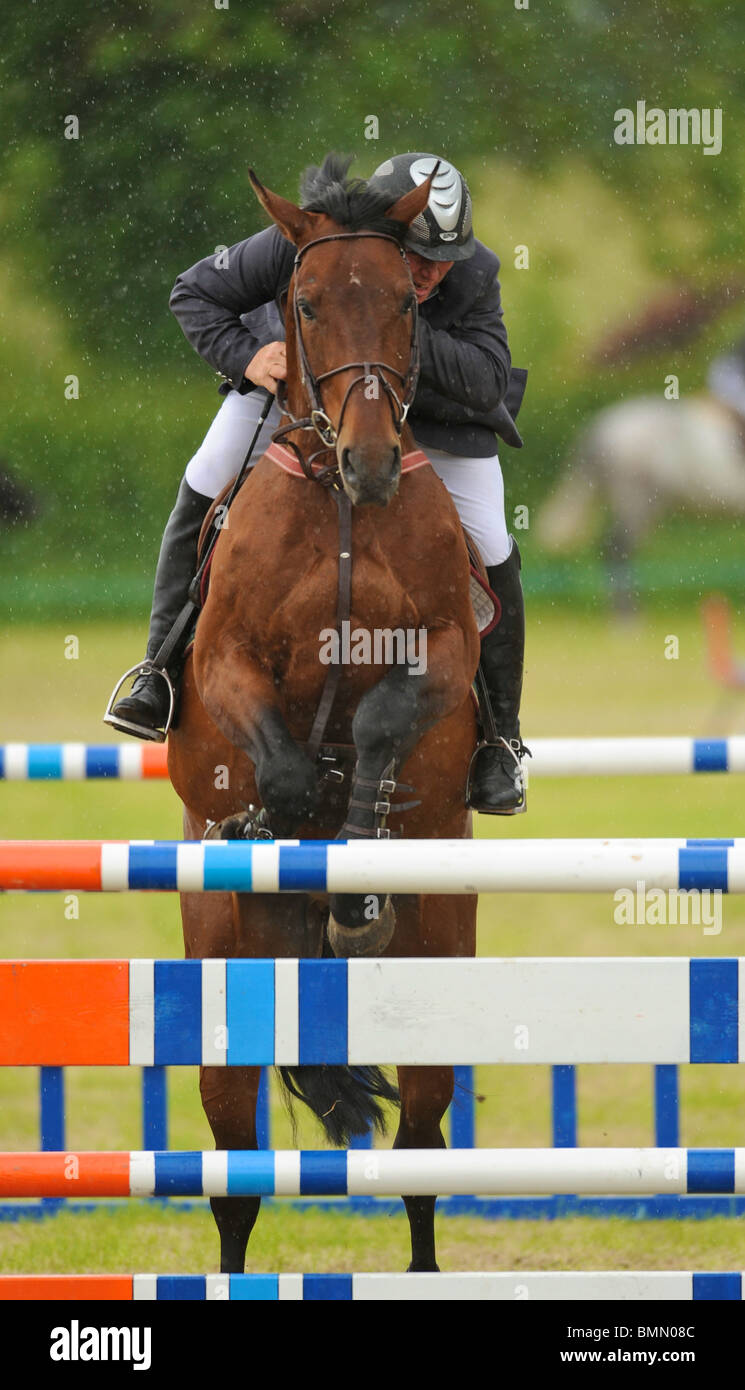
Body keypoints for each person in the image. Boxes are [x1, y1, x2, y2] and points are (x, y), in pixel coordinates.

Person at [106, 153, 529, 813]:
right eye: (416, 259)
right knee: (207, 473)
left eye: (442, 263)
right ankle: (157, 668)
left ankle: (501, 739)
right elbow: (193, 293)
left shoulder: (472, 271)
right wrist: (247, 356)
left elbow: (484, 378)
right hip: (297, 391)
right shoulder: (300, 239)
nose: (432, 274)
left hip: (437, 421)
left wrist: (388, 322)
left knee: (492, 539)